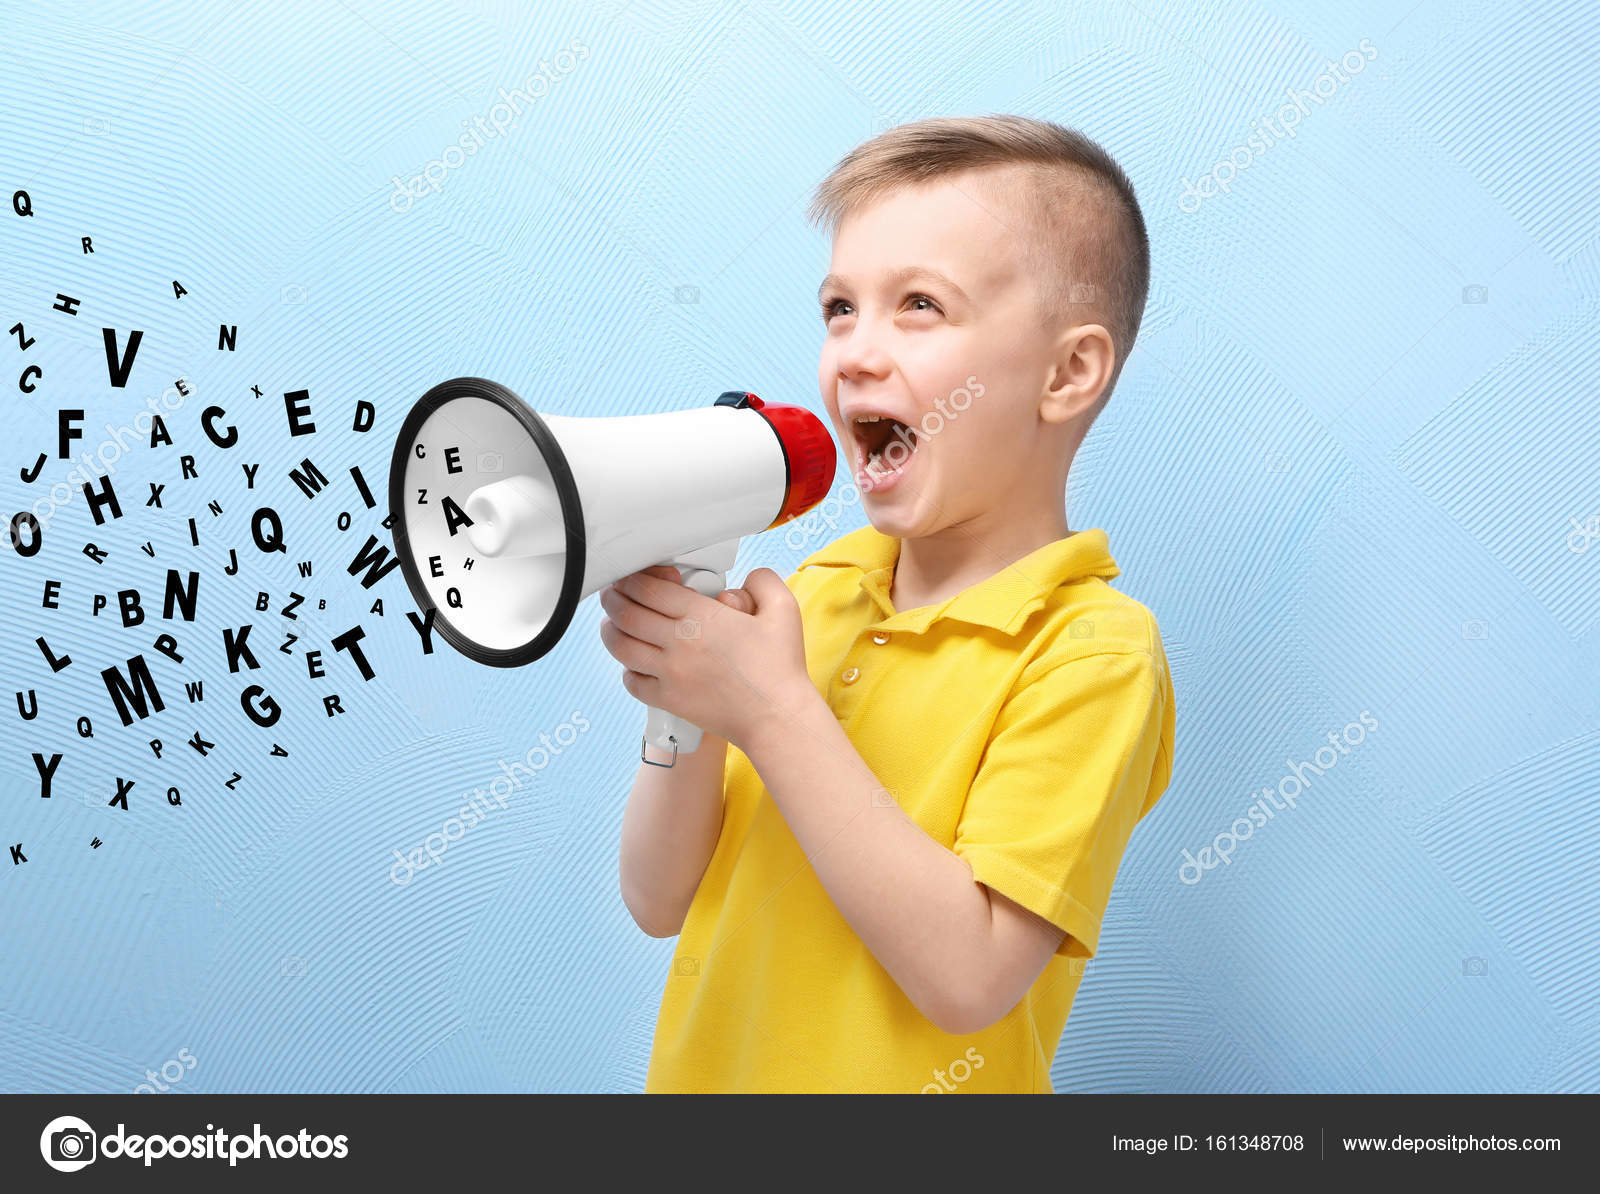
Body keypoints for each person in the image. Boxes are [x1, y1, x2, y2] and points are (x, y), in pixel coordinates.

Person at [602, 114, 1175, 1092]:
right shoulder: (816, 593)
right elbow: (659, 899)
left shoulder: (1089, 655)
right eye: (838, 308)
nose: (855, 353)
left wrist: (772, 710)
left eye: (918, 306)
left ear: (1067, 372)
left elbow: (968, 977)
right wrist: (684, 701)